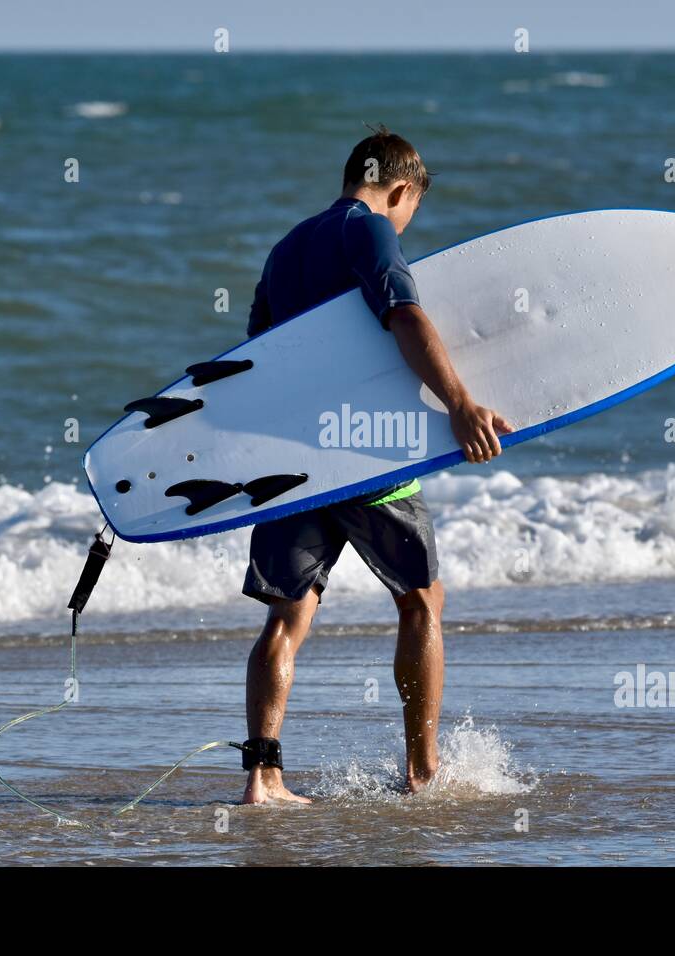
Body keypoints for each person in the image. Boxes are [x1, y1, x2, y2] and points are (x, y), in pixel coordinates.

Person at [239, 126, 512, 804]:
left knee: (285, 618)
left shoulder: (285, 250)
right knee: (422, 600)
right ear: (400, 189)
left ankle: (263, 778)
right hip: (363, 455)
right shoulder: (369, 230)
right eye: (411, 207)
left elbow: (255, 359)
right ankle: (422, 773)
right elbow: (405, 314)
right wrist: (459, 403)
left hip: (292, 461)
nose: (408, 221)